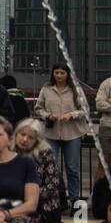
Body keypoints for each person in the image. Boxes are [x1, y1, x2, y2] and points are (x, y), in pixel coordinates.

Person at [34, 64, 86, 204]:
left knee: (72, 168)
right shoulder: (46, 89)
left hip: (72, 133)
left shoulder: (75, 90)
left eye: (62, 73)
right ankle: (58, 197)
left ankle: (75, 199)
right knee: (52, 167)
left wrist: (72, 114)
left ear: (67, 74)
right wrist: (47, 115)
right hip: (52, 133)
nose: (59, 75)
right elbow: (38, 108)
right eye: (56, 72)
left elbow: (84, 110)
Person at [12, 118, 68, 223]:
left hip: (39, 207)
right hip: (11, 204)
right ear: (16, 134)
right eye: (22, 134)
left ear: (37, 141)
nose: (25, 139)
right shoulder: (7, 151)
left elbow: (52, 187)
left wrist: (27, 196)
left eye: (30, 137)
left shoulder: (45, 153)